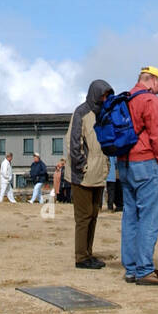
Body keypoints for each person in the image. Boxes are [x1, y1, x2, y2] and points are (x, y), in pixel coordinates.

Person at [119, 66, 158, 286]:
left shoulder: (124, 99)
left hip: (124, 164)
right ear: (152, 80)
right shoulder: (151, 101)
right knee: (150, 218)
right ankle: (144, 269)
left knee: (130, 217)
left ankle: (131, 269)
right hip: (147, 163)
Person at [67, 79, 111, 269]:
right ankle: (81, 257)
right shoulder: (81, 112)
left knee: (94, 214)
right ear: (95, 93)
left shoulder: (104, 113)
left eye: (108, 94)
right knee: (83, 216)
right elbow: (74, 143)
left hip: (99, 173)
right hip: (83, 175)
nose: (105, 98)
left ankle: (88, 253)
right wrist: (82, 167)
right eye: (103, 94)